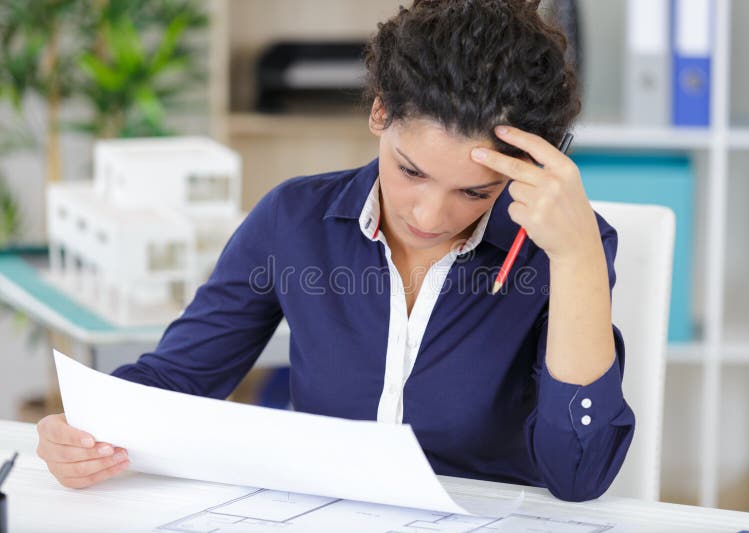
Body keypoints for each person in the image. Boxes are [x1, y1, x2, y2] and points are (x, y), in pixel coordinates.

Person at [35, 0, 634, 502]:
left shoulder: (563, 251)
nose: (430, 216)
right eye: (411, 171)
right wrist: (88, 432)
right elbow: (177, 378)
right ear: (379, 112)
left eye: (474, 192)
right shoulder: (294, 221)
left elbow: (577, 476)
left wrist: (578, 258)